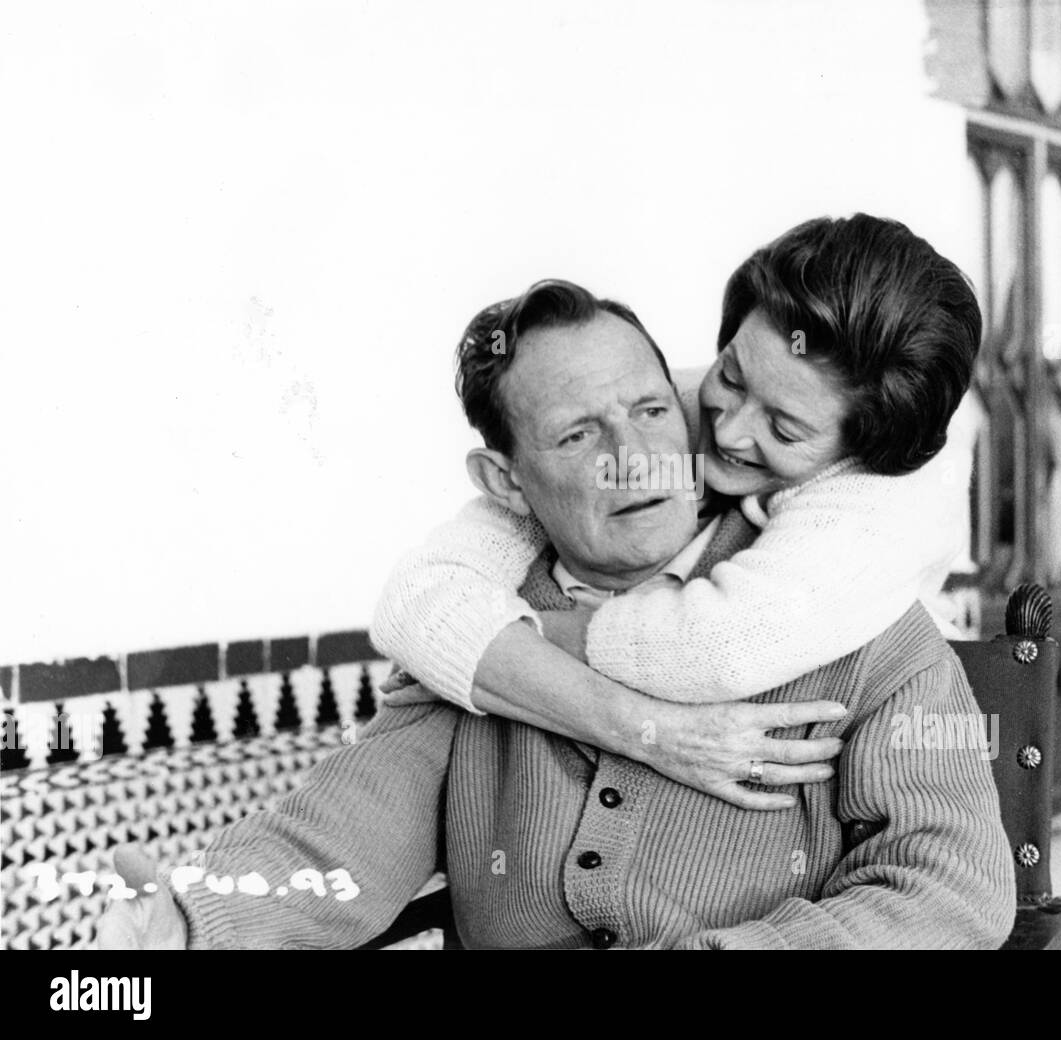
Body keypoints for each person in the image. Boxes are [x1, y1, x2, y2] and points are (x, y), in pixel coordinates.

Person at [96, 278, 1013, 950]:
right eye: (578, 435)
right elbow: (345, 834)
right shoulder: (483, 642)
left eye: (652, 409)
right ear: (507, 481)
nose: (634, 455)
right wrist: (189, 921)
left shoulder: (852, 620)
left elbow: (950, 889)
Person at [372, 214, 980, 808]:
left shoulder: (889, 498)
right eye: (732, 376)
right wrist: (648, 729)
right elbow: (419, 602)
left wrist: (502, 635)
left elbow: (722, 648)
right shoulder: (660, 412)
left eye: (785, 430)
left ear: (857, 452)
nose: (727, 429)